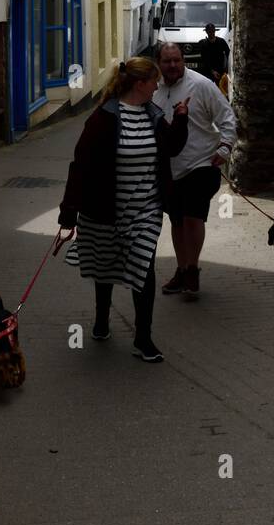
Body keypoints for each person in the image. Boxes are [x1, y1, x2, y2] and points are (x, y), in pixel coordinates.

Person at [58, 58, 189, 363]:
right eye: (153, 81)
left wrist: (181, 118)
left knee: (143, 268)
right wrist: (68, 214)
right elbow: (80, 168)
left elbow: (171, 148)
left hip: (145, 211)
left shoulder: (154, 115)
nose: (157, 86)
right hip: (105, 212)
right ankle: (101, 318)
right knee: (105, 268)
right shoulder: (102, 119)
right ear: (139, 84)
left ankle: (143, 338)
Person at [153, 42, 237, 297]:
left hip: (201, 163)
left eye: (177, 60)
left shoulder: (201, 85)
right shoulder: (152, 89)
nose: (173, 65)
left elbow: (227, 117)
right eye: (167, 61)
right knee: (176, 220)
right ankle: (181, 269)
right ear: (159, 63)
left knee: (192, 217)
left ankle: (192, 270)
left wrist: (225, 147)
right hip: (169, 168)